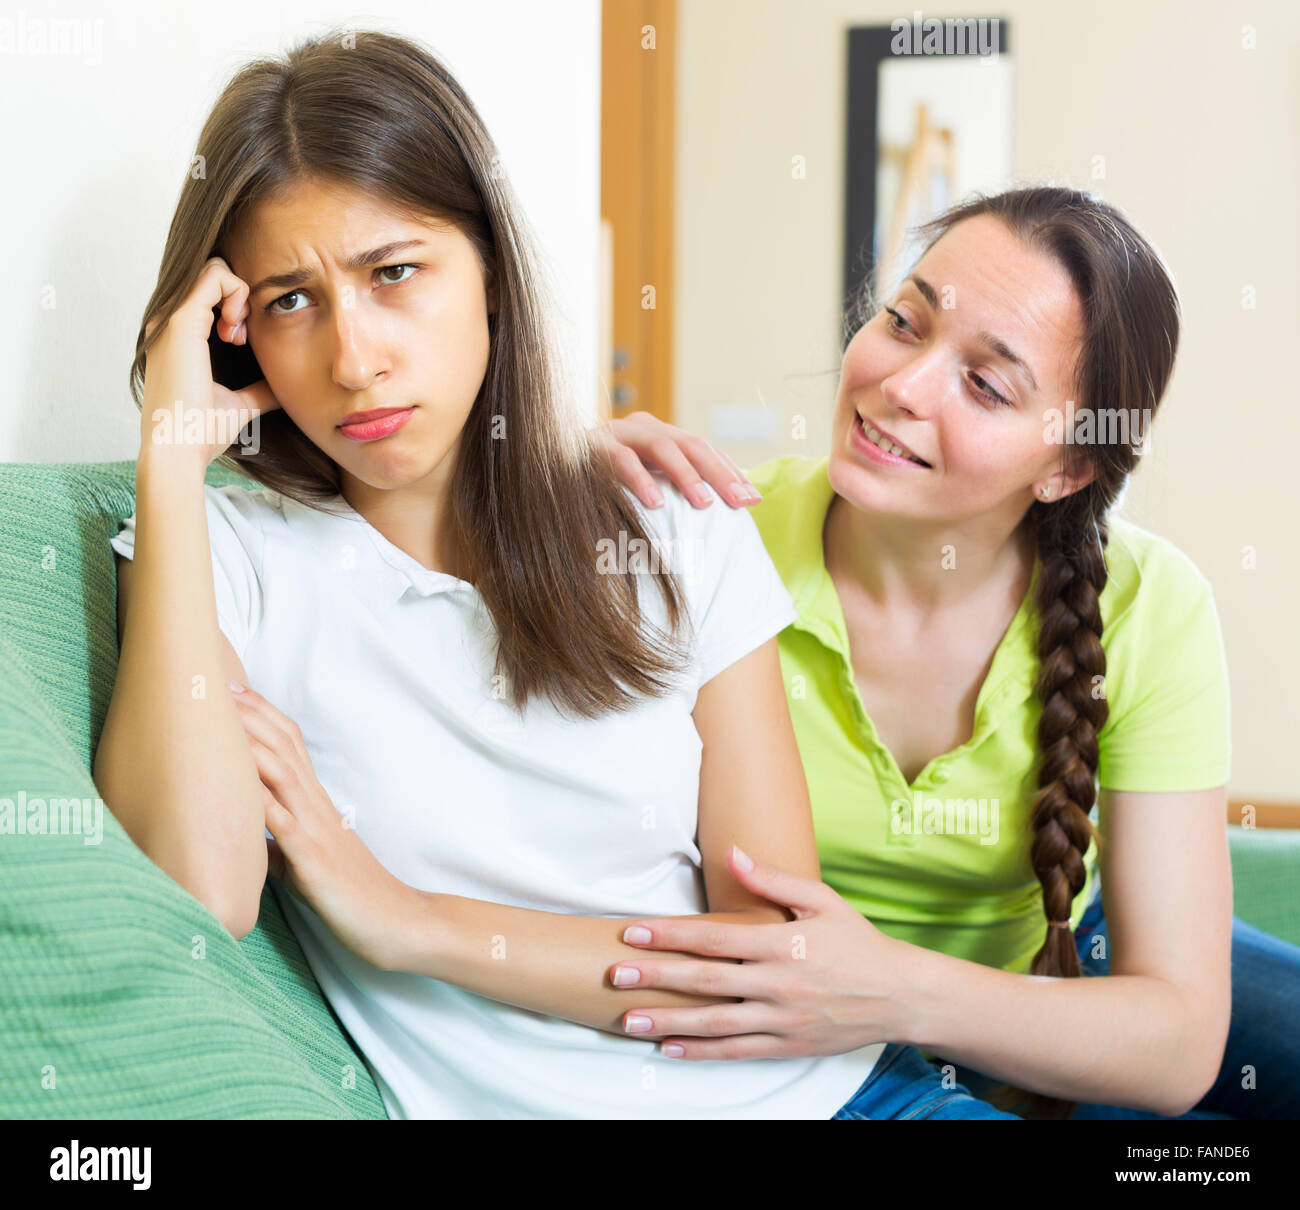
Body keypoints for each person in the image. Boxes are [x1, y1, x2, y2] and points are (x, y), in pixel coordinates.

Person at [93, 27, 913, 1120]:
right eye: (290, 299)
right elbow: (200, 885)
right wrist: (167, 446)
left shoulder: (673, 527)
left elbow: (763, 960)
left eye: (395, 273)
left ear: (488, 270)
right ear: (236, 332)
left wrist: (402, 916)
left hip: (839, 1103)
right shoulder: (229, 563)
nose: (353, 358)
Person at [592, 185, 1300, 1119]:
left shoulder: (1146, 605)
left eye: (986, 384)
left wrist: (888, 984)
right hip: (823, 1045)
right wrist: (543, 493)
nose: (903, 385)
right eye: (905, 322)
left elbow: (1175, 1043)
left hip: (1050, 969)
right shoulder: (708, 545)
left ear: (1068, 468)